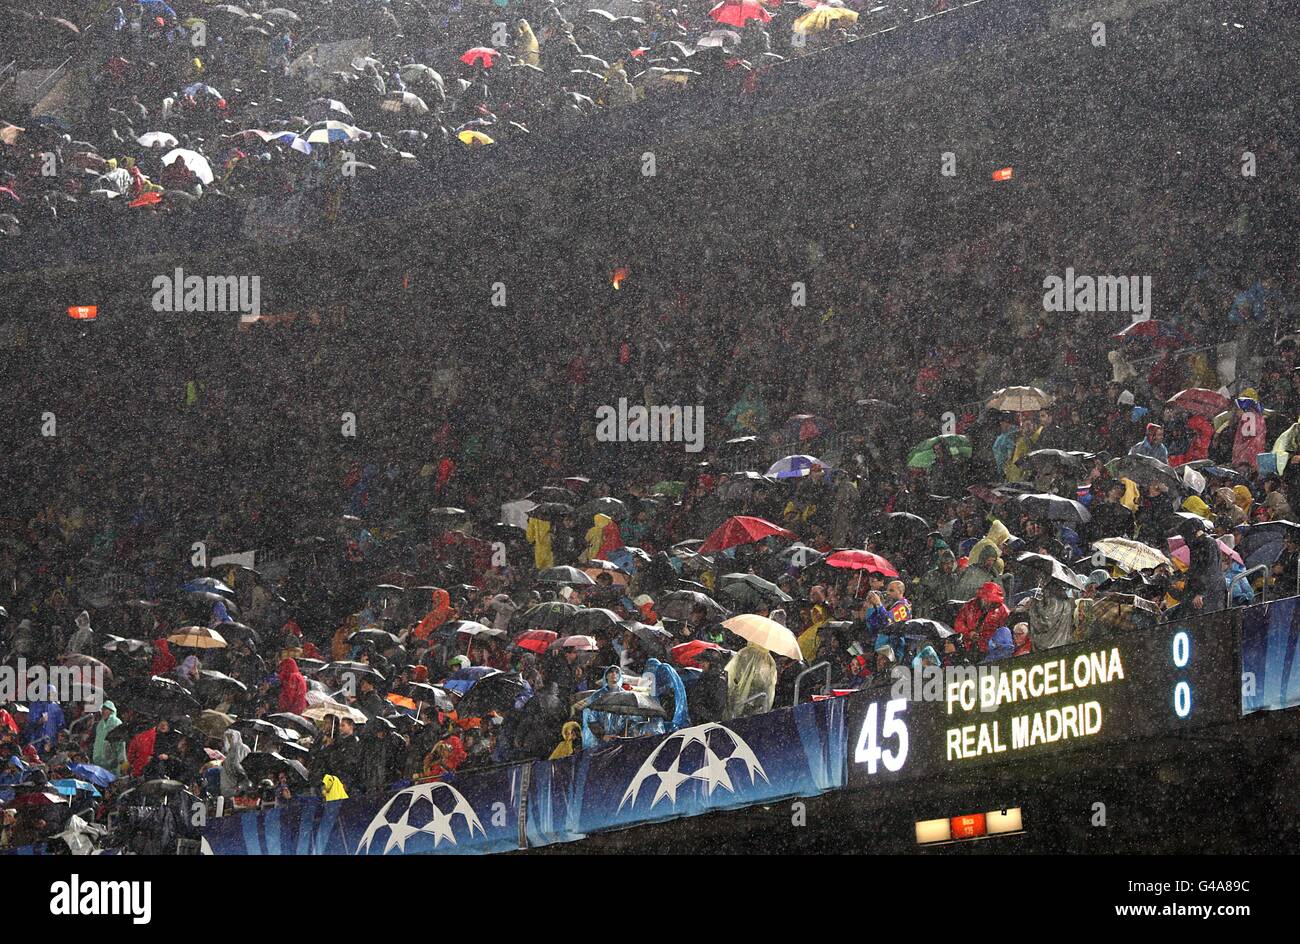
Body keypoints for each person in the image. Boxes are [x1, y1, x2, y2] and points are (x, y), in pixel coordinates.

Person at [953, 582, 1010, 655]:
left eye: (991, 601)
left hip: (990, 649)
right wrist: (968, 633)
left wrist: (991, 640)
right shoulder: (970, 606)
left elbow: (1005, 631)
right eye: (986, 599)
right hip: (969, 647)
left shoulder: (1002, 610)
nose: (988, 603)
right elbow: (959, 622)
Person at [725, 643, 777, 719]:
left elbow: (733, 674)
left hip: (740, 697)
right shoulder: (769, 660)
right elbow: (768, 684)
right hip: (757, 700)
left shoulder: (745, 653)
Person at [91, 700, 126, 773]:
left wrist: (120, 759)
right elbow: (97, 741)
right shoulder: (100, 725)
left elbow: (120, 745)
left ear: (111, 711)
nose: (103, 712)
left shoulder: (117, 723)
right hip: (99, 762)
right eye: (102, 710)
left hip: (112, 762)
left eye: (105, 710)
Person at [219, 729, 251, 798]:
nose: (229, 740)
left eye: (231, 737)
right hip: (227, 783)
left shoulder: (243, 748)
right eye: (228, 737)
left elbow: (241, 767)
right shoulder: (229, 752)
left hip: (237, 784)